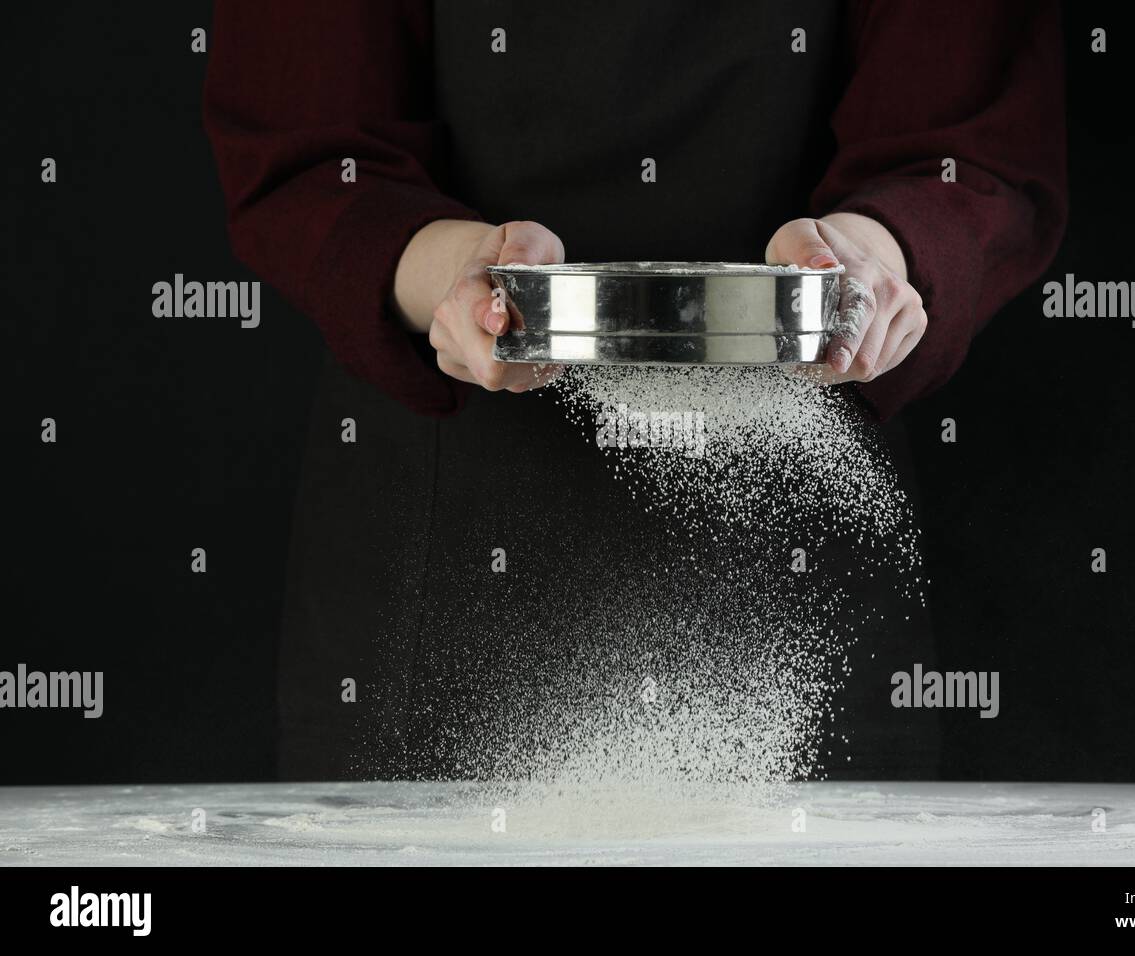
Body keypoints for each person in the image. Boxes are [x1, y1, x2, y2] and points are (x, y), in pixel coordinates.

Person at [204, 1, 1066, 781]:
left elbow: (967, 140)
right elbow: (311, 142)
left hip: (797, 559)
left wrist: (870, 263)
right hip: (443, 559)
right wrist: (457, 276)